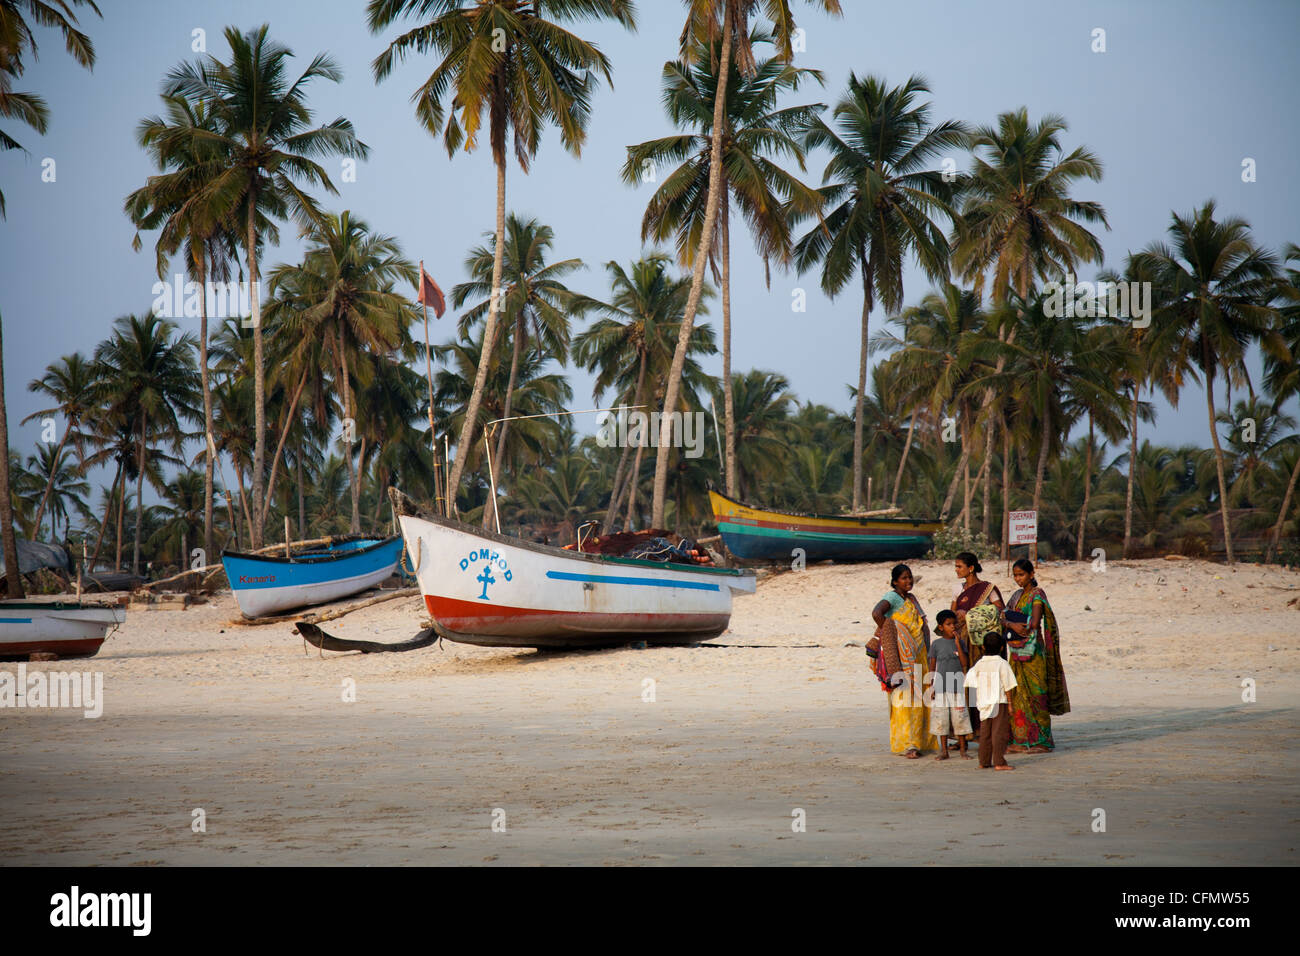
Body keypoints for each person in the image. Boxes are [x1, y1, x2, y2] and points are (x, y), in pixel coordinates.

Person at [1002, 558, 1071, 753]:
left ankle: (1042, 740)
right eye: (1015, 575)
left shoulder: (1037, 595)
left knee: (1036, 694)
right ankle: (1021, 738)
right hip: (1016, 650)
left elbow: (1034, 621)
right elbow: (1003, 615)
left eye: (1021, 575)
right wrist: (1010, 624)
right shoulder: (1016, 596)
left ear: (1031, 574)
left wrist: (1014, 623)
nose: (1018, 579)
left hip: (1033, 652)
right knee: (1018, 694)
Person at [871, 564, 937, 759]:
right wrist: (893, 635)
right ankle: (909, 745)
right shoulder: (892, 597)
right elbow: (876, 613)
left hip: (919, 655)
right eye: (904, 578)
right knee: (905, 700)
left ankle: (921, 742)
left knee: (920, 700)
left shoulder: (912, 599)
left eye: (910, 578)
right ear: (895, 582)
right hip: (903, 657)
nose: (908, 581)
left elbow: (923, 625)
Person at [950, 552, 1003, 738]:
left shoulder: (988, 589)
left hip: (981, 643)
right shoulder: (958, 589)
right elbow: (952, 614)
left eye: (959, 566)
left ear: (970, 568)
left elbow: (999, 611)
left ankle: (984, 728)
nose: (956, 570)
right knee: (965, 682)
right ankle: (965, 730)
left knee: (982, 683)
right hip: (963, 641)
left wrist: (971, 614)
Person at [966, 631, 1017, 770]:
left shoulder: (978, 664)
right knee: (998, 733)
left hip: (983, 702)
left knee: (985, 733)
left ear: (983, 647)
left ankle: (984, 761)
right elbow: (1008, 686)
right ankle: (999, 762)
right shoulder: (1002, 664)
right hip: (999, 701)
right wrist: (1011, 704)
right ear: (1001, 648)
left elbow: (971, 683)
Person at [928, 610, 972, 760]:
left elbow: (964, 663)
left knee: (960, 718)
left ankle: (962, 750)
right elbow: (932, 666)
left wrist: (958, 644)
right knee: (942, 719)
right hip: (940, 688)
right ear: (941, 627)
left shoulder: (960, 643)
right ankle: (944, 751)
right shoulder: (936, 644)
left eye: (954, 624)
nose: (952, 627)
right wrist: (931, 686)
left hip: (957, 688)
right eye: (948, 624)